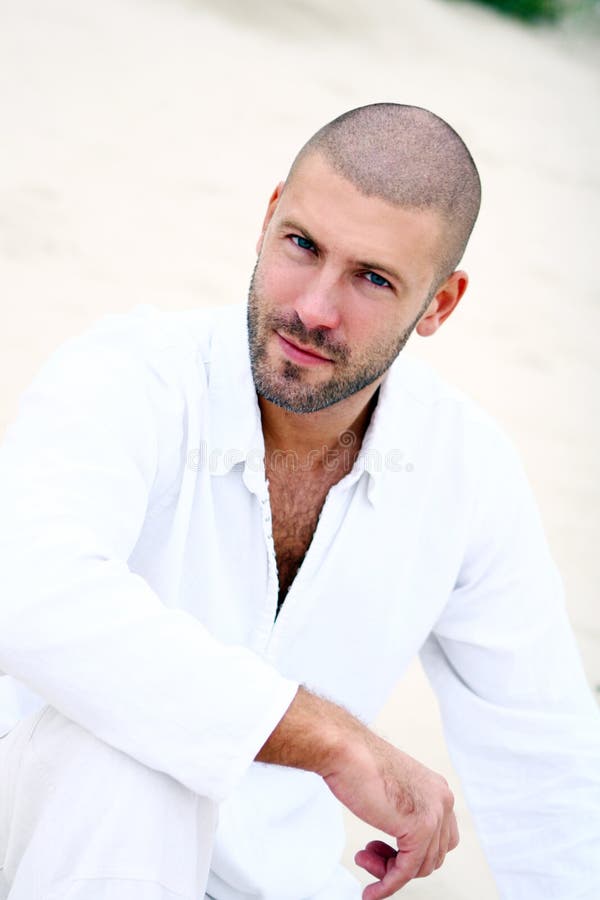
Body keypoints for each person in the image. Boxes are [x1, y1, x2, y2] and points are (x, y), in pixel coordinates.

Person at [0, 103, 598, 900]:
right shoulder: (131, 375)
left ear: (441, 305)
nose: (314, 308)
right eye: (303, 245)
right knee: (129, 758)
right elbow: (29, 591)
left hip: (272, 884)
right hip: (50, 843)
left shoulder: (468, 472)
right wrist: (324, 738)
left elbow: (544, 759)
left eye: (373, 279)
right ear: (267, 219)